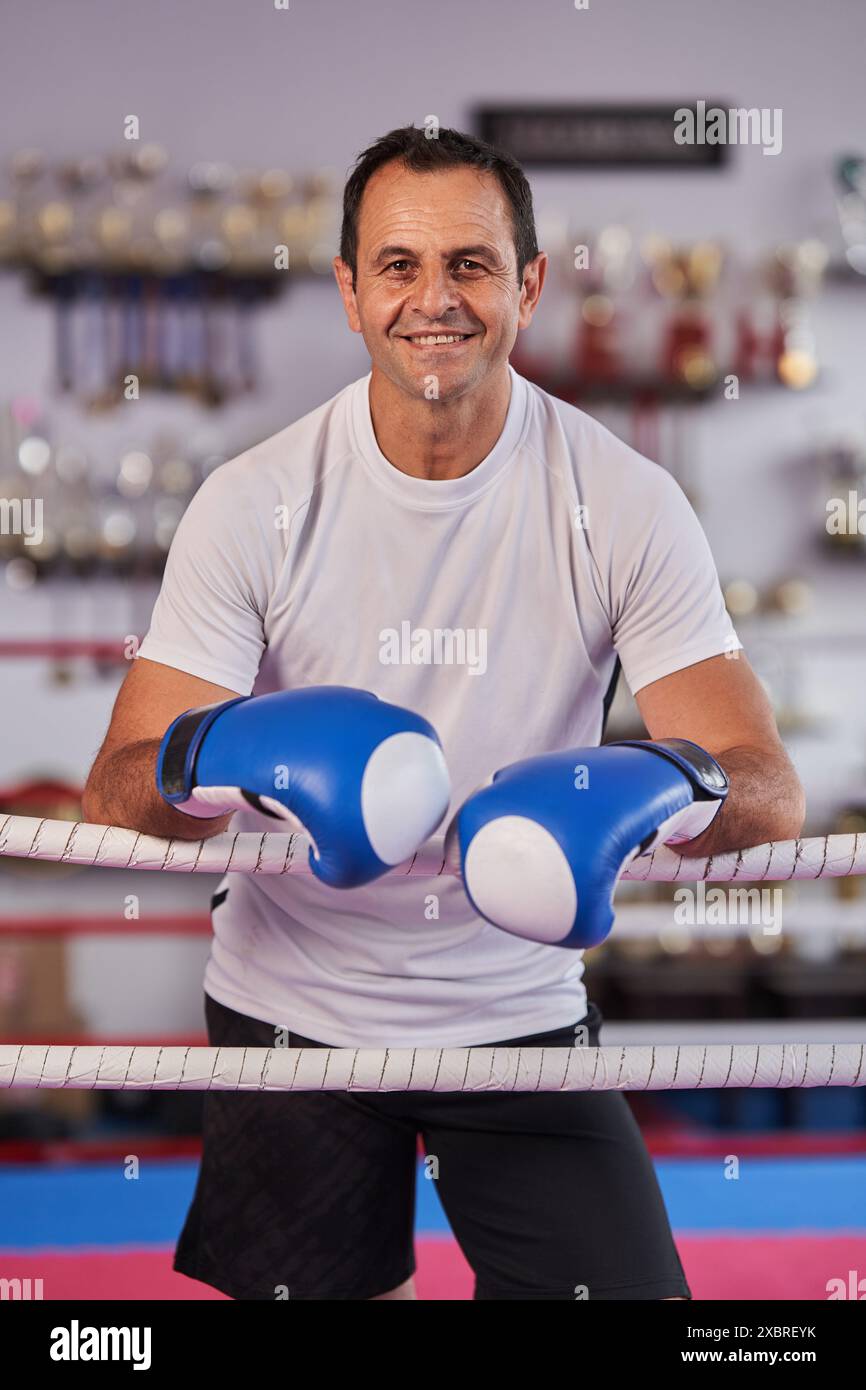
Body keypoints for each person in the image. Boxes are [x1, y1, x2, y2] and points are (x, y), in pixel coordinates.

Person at [83, 124, 804, 1301]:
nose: (435, 299)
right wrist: (224, 751)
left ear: (525, 284)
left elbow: (766, 790)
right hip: (292, 1016)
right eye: (399, 266)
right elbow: (115, 790)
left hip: (513, 1008)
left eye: (470, 264)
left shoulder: (620, 501)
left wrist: (655, 791)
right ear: (350, 294)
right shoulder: (253, 502)